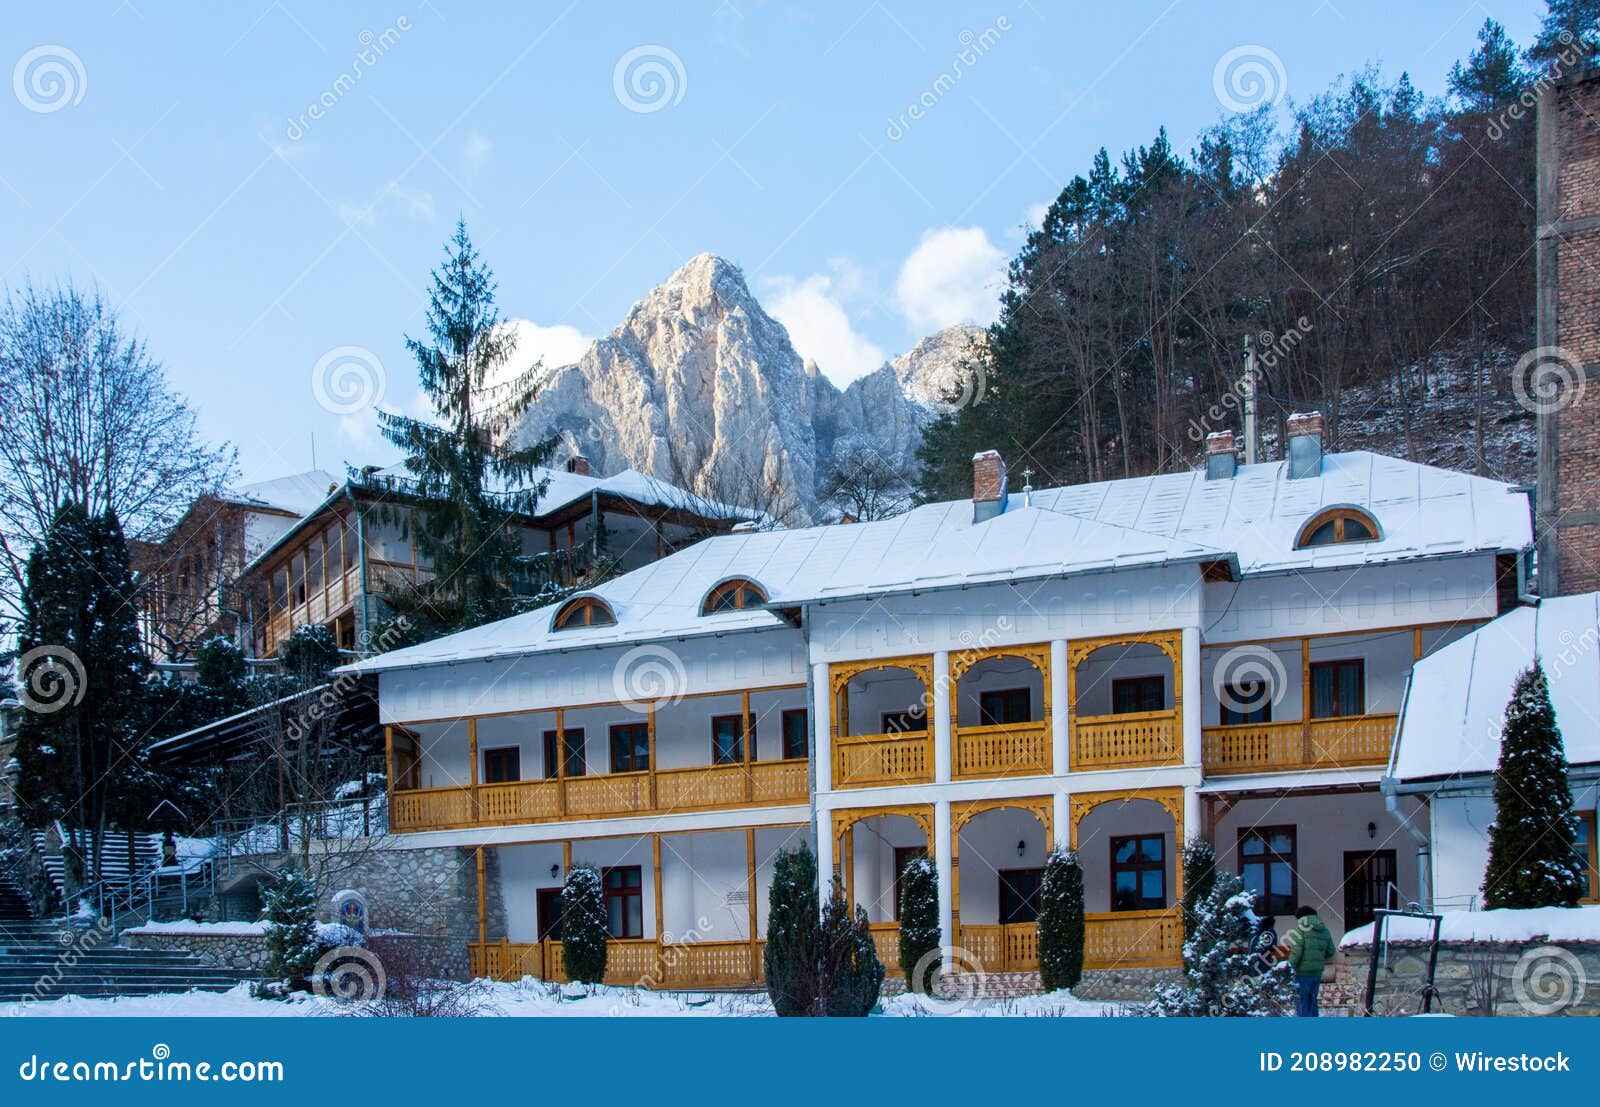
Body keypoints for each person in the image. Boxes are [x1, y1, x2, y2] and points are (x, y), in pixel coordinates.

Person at [1285, 904, 1337, 1016]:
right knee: (1313, 1002)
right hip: (1317, 972)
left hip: (1302, 973)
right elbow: (1331, 951)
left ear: (1300, 917)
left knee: (1301, 1002)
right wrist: (1318, 955)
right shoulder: (1325, 930)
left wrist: (1289, 967)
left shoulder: (1300, 930)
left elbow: (1296, 952)